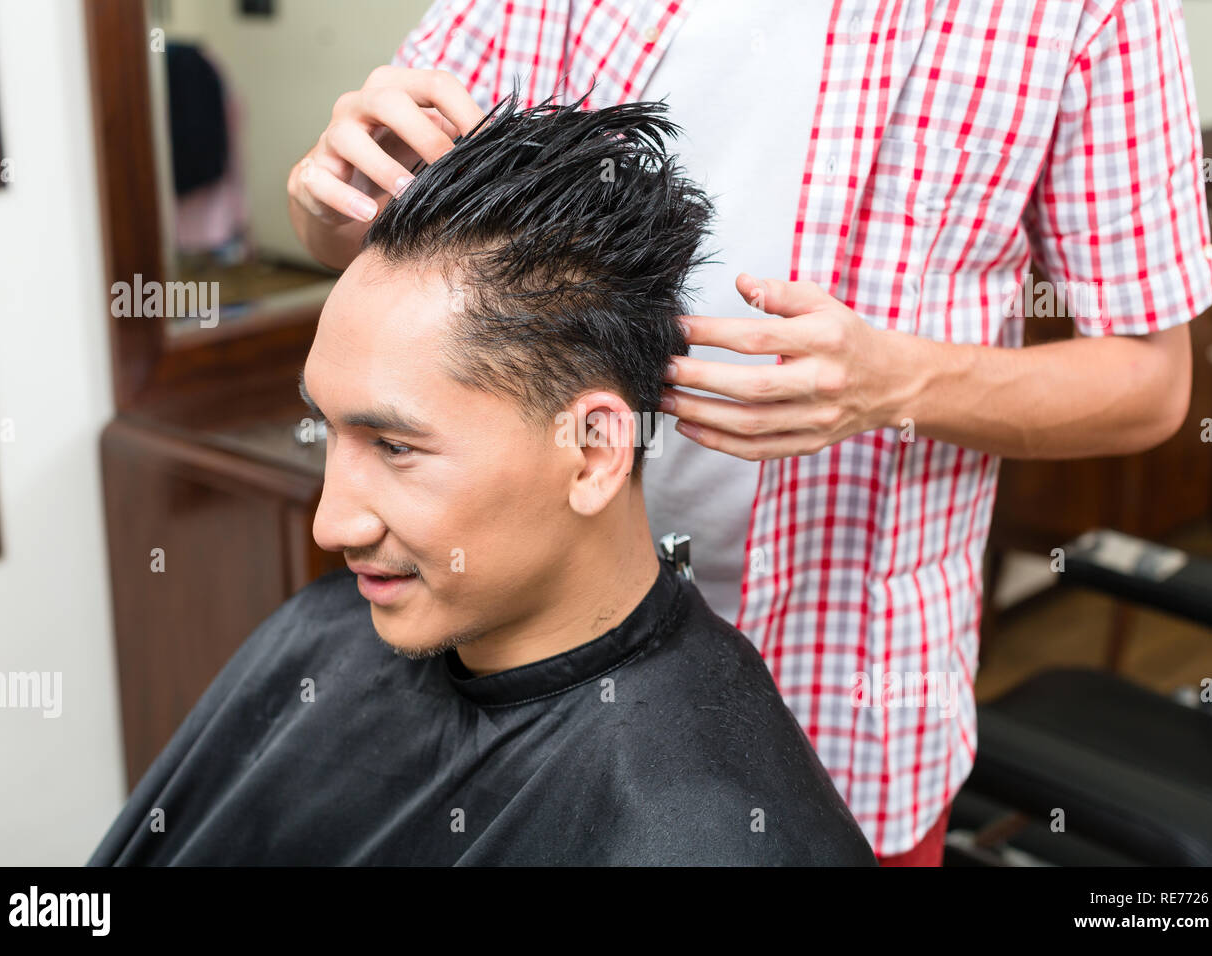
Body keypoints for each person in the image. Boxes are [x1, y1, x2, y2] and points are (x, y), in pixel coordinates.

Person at [286, 0, 1212, 864]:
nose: (335, 520)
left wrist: (901, 383)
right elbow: (372, 230)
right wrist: (327, 198)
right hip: (515, 649)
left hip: (851, 689)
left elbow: (1151, 380)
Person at [86, 93, 877, 866]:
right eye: (327, 430)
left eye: (394, 447)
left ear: (596, 449)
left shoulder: (714, 829)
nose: (331, 525)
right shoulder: (325, 634)